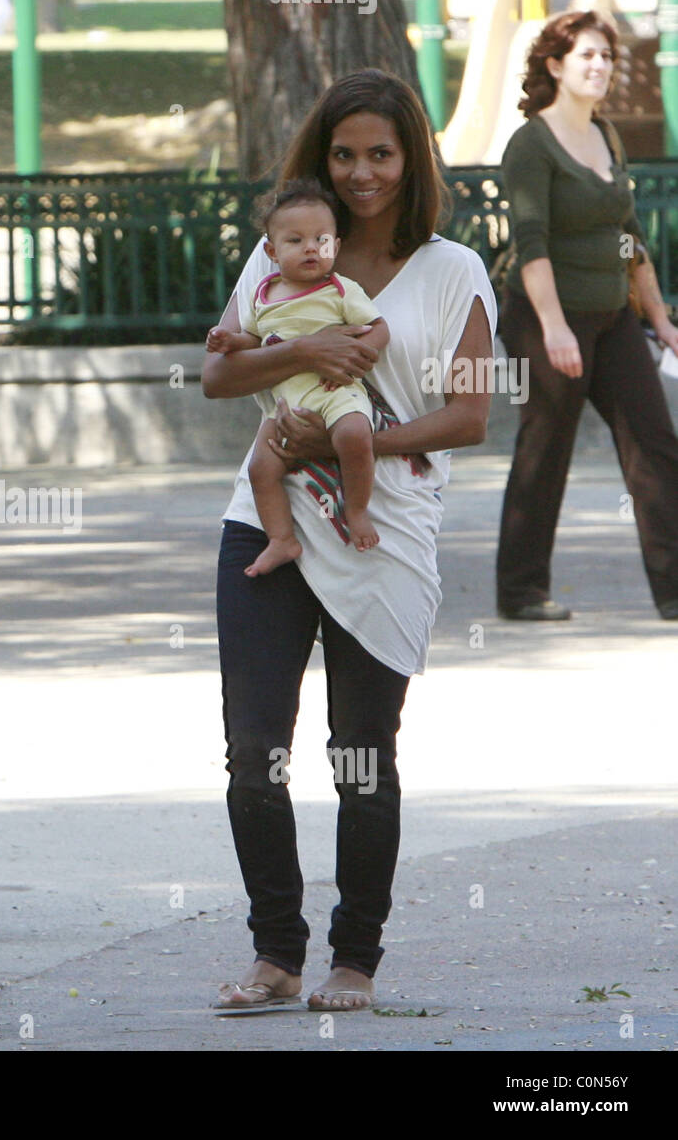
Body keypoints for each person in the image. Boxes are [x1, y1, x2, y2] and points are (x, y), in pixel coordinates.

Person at [202, 69, 495, 1013]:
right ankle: (275, 953)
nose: (363, 173)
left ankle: (354, 958)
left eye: (381, 153)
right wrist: (304, 355)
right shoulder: (283, 252)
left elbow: (469, 415)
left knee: (360, 751)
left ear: (412, 159)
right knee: (254, 750)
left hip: (384, 532)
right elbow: (219, 373)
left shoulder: (452, 271)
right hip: (269, 519)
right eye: (344, 154)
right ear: (318, 160)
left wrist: (346, 436)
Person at [495, 10, 678, 622]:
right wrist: (552, 328)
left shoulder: (607, 135)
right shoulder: (531, 144)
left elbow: (629, 236)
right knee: (546, 447)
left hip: (611, 315)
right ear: (555, 66)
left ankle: (674, 590)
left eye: (606, 56)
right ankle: (521, 591)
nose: (600, 66)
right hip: (544, 314)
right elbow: (531, 241)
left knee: (655, 446)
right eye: (586, 56)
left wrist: (661, 318)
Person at [207, 178, 388, 575]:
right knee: (260, 468)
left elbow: (378, 327)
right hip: (286, 402)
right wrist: (228, 341)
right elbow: (250, 340)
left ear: (336, 247)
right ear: (271, 251)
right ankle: (281, 539)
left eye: (321, 240)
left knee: (356, 437)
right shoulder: (262, 294)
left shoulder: (340, 290)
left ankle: (356, 511)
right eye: (295, 241)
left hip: (336, 392)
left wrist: (364, 354)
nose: (310, 248)